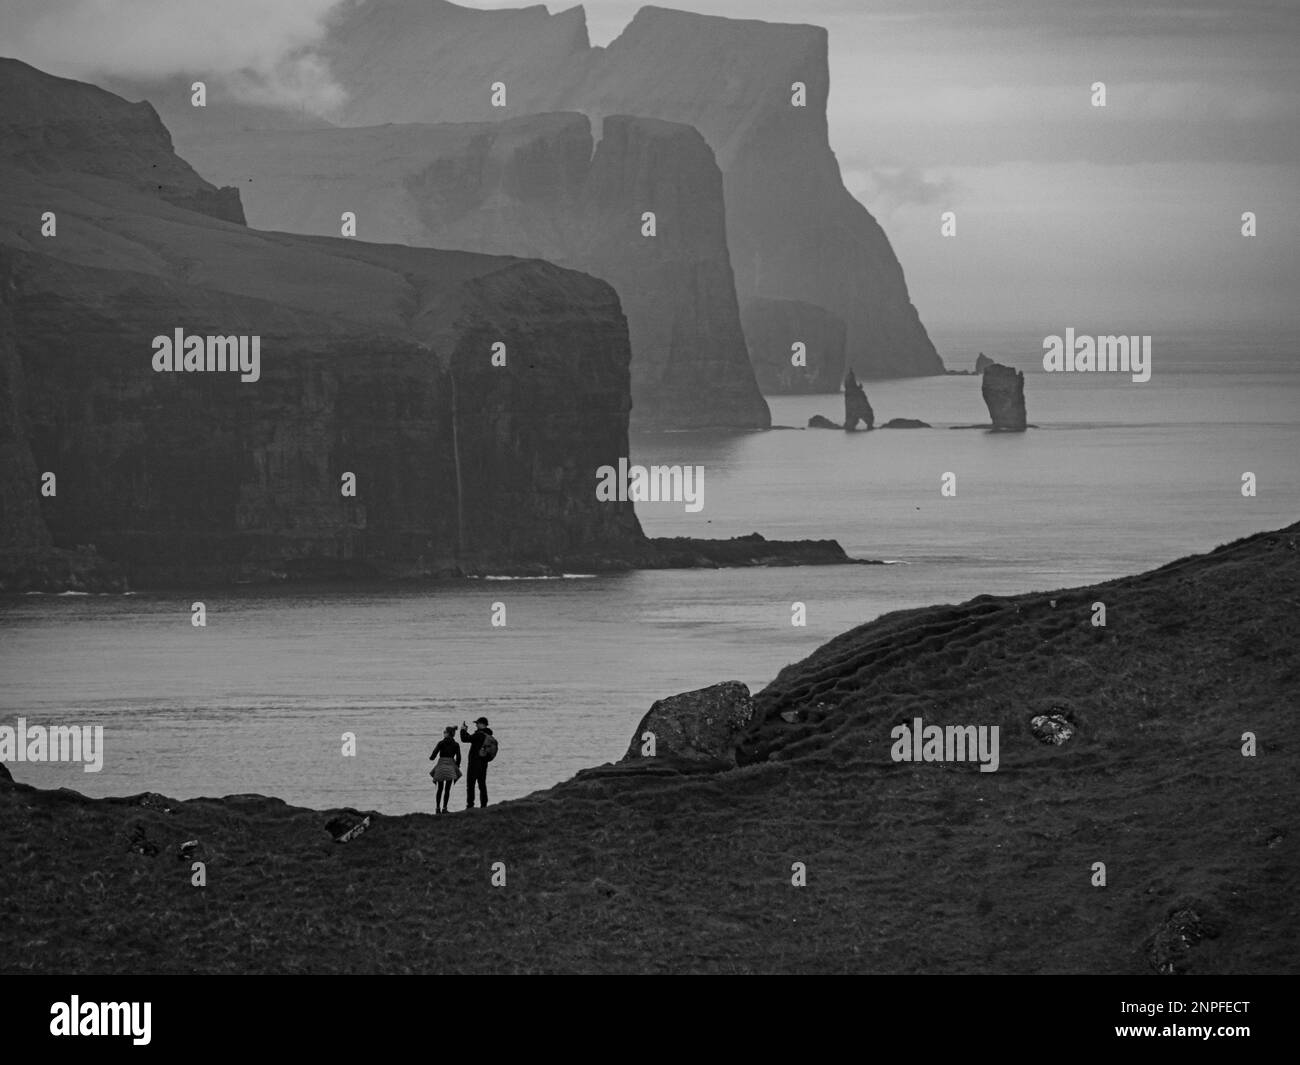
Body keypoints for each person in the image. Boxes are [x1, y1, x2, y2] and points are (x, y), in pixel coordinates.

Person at [460, 716, 495, 809]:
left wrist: (463, 730)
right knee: (482, 784)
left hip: (474, 763)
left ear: (482, 724)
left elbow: (465, 739)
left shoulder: (479, 735)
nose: (476, 725)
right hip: (483, 763)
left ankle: (470, 805)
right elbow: (470, 738)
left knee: (470, 785)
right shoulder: (489, 735)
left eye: (477, 723)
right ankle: (484, 805)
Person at [428, 726, 461, 814]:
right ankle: (444, 808)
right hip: (450, 766)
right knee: (447, 789)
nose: (443, 733)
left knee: (440, 788)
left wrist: (431, 758)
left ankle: (437, 808)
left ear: (448, 733)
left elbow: (433, 756)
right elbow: (459, 758)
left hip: (441, 765)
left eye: (444, 732)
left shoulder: (441, 743)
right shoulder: (456, 744)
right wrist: (456, 767)